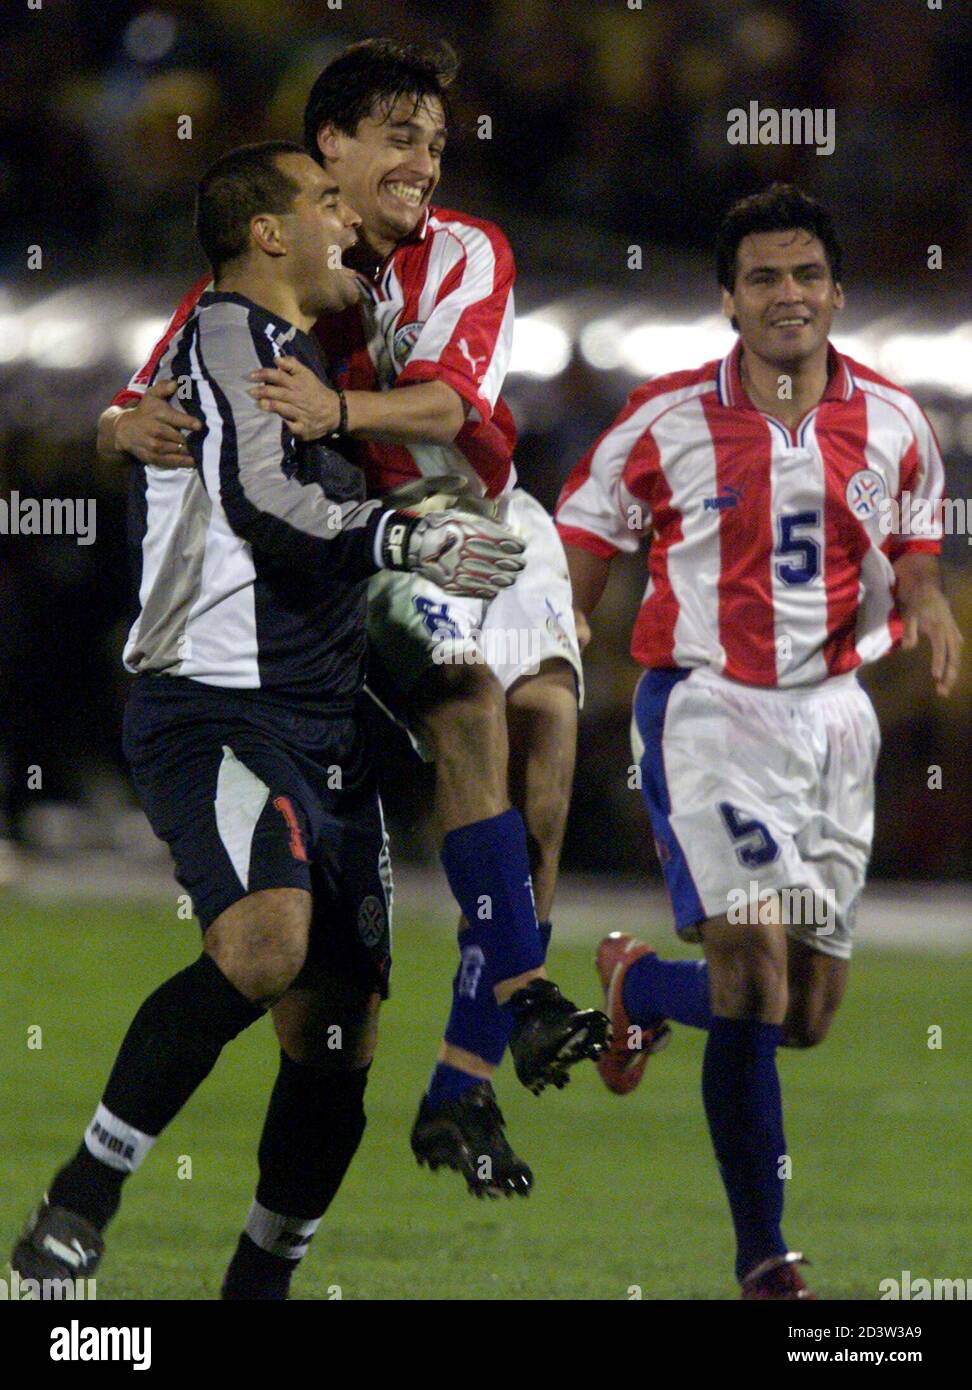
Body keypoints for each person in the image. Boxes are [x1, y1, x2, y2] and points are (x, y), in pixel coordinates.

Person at [12, 140, 524, 1300]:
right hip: (215, 705)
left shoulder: (303, 352)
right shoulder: (231, 333)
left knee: (336, 1038)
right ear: (270, 232)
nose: (350, 219)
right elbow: (262, 499)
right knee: (263, 942)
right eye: (324, 201)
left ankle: (259, 1283)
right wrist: (404, 534)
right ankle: (79, 1201)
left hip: (324, 721)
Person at [96, 39, 607, 1199]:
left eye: (436, 141)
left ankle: (462, 1081)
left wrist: (336, 401)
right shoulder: (275, 257)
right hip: (379, 530)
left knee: (549, 752)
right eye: (399, 137)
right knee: (472, 707)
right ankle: (522, 1001)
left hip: (484, 507)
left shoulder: (465, 251)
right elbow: (140, 396)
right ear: (329, 146)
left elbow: (454, 404)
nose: (426, 162)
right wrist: (117, 430)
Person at [556, 184, 963, 1299]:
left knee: (806, 1016)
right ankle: (764, 1260)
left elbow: (913, 531)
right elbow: (581, 546)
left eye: (807, 275)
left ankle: (639, 988)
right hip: (707, 711)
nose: (790, 295)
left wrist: (925, 599)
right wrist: (552, 667)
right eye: (765, 278)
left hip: (835, 721)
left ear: (837, 291)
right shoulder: (663, 421)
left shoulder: (896, 419)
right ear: (727, 300)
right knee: (753, 960)